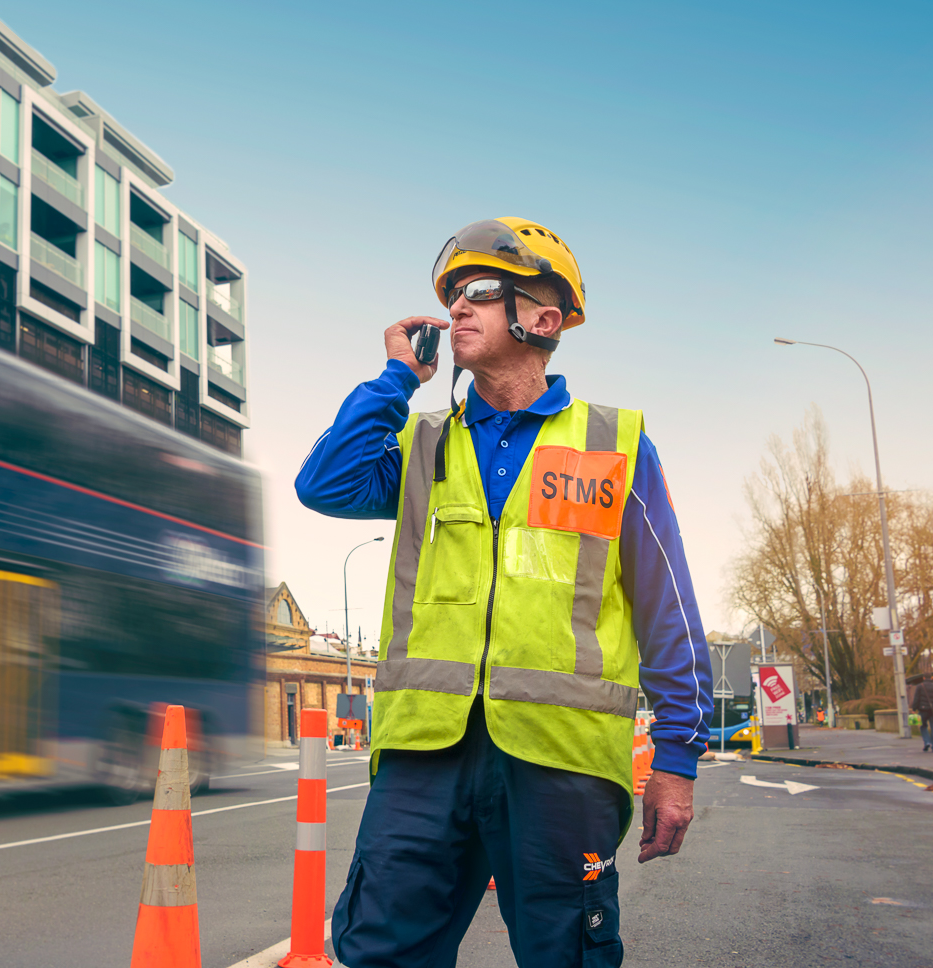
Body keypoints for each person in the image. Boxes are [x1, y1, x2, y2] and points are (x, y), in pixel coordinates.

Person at [295, 218, 713, 968]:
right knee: (381, 951)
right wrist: (397, 379)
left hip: (561, 761)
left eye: (480, 291)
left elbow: (668, 611)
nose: (457, 306)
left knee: (567, 957)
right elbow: (325, 483)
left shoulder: (614, 444)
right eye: (452, 293)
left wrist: (677, 760)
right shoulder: (423, 442)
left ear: (544, 319)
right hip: (426, 753)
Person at [913, 673, 933, 751]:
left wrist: (914, 709)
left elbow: (916, 698)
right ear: (932, 678)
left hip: (923, 709)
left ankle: (927, 742)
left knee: (923, 726)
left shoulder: (920, 686)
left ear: (923, 678)